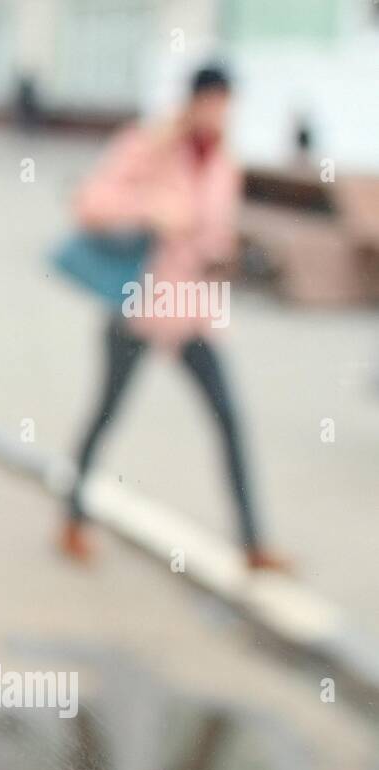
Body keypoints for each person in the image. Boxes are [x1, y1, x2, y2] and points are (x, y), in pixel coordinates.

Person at [60, 65, 288, 571]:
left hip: (193, 312)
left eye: (227, 105)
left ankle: (253, 542)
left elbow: (215, 231)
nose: (219, 114)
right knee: (105, 413)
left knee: (229, 418)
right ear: (194, 102)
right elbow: (89, 202)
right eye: (212, 103)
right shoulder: (151, 142)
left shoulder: (225, 161)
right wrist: (149, 209)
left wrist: (228, 256)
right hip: (140, 305)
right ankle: (72, 518)